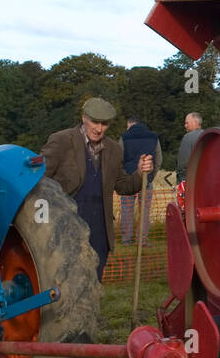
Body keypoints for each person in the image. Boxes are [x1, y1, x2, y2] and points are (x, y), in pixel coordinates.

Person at [41, 97, 153, 279]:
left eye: (104, 124)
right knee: (66, 282)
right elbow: (40, 180)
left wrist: (140, 174)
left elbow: (124, 186)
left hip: (100, 231)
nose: (99, 129)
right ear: (84, 117)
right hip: (66, 227)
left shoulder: (114, 150)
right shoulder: (61, 141)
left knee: (94, 280)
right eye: (94, 122)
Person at [120, 116, 162, 247]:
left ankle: (126, 240)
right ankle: (141, 240)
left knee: (127, 210)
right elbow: (159, 159)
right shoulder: (153, 137)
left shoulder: (124, 137)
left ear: (130, 125)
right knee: (144, 211)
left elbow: (118, 158)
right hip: (146, 180)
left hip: (128, 180)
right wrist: (150, 177)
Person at [175, 112, 203, 184]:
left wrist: (180, 181)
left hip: (189, 182)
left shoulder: (188, 137)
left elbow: (183, 164)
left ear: (195, 122)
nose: (185, 126)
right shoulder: (207, 135)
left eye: (187, 123)